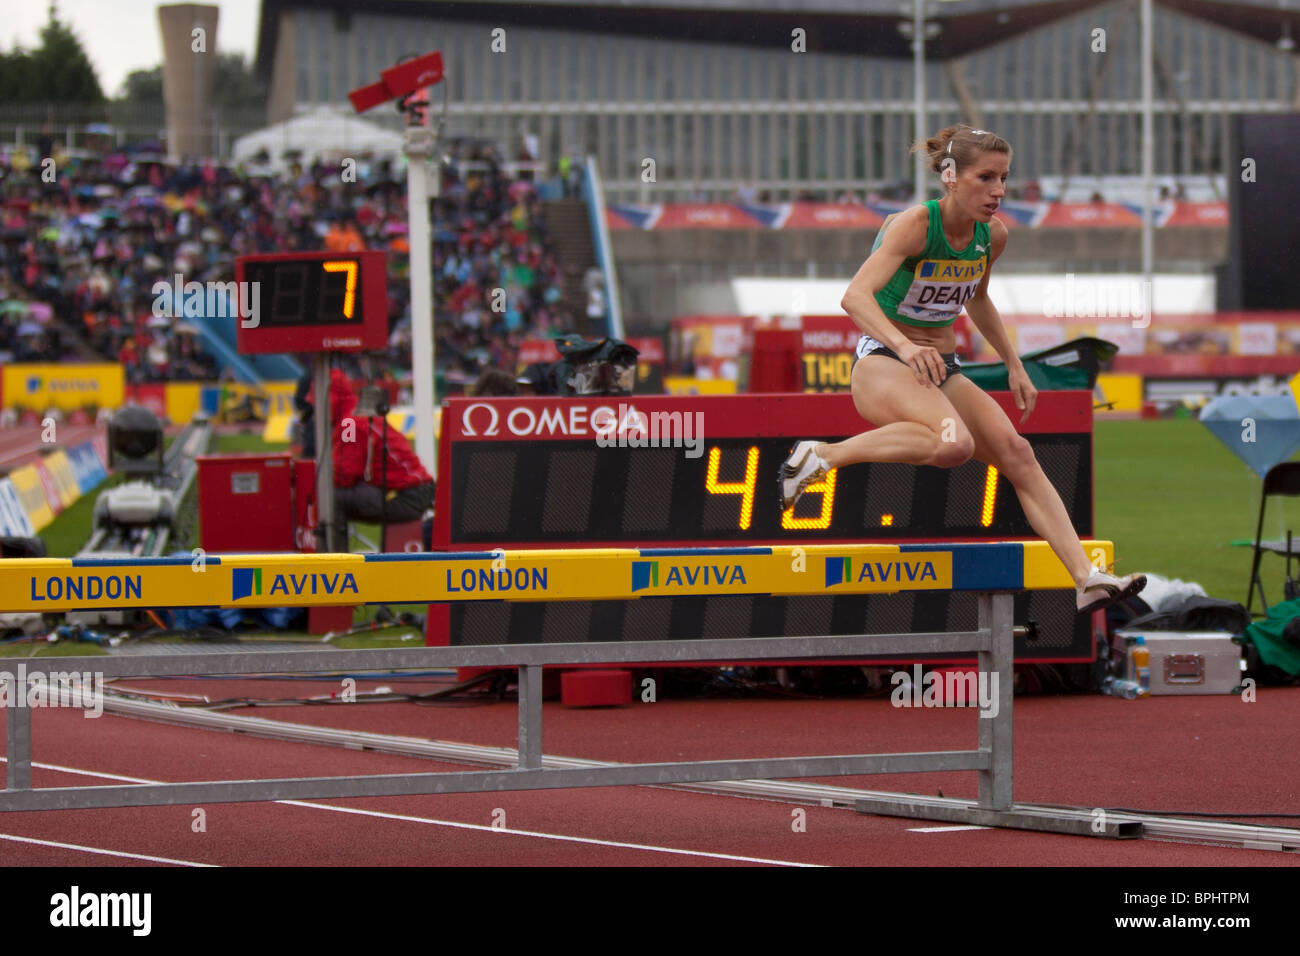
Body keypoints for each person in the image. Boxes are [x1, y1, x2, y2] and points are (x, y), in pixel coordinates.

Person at [777, 124, 1145, 615]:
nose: (999, 191)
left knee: (1018, 453)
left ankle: (1085, 579)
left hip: (941, 367)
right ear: (951, 177)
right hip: (883, 363)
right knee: (955, 443)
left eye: (1004, 179)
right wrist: (906, 347)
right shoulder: (914, 225)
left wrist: (1014, 364)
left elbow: (978, 297)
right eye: (986, 178)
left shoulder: (991, 236)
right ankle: (821, 456)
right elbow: (854, 297)